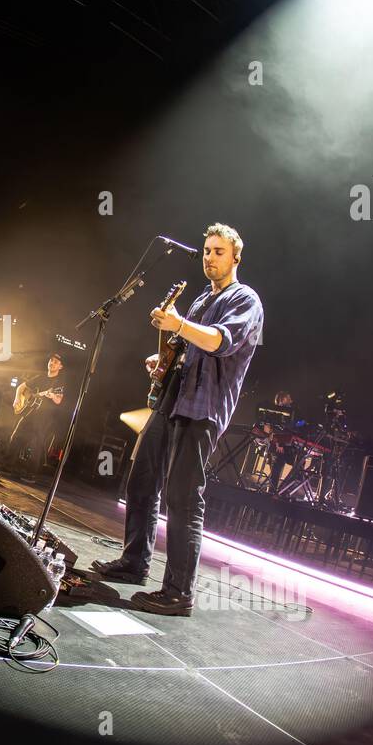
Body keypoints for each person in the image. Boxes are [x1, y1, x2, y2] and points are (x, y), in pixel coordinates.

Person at [92, 224, 264, 616]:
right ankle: (135, 563)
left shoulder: (246, 299)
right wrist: (166, 359)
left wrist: (179, 325)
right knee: (141, 481)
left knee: (184, 498)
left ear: (236, 256)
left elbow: (220, 341)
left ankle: (178, 593)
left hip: (202, 408)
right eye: (206, 250)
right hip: (173, 397)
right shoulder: (203, 296)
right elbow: (190, 346)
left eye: (218, 251)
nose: (209, 257)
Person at [3, 353, 68, 481]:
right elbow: (21, 387)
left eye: (56, 362)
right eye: (51, 360)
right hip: (30, 412)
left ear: (60, 367)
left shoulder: (59, 382)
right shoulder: (40, 377)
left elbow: (59, 400)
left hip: (44, 418)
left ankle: (31, 474)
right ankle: (7, 466)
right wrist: (17, 399)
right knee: (16, 436)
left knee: (36, 444)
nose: (52, 363)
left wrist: (52, 395)